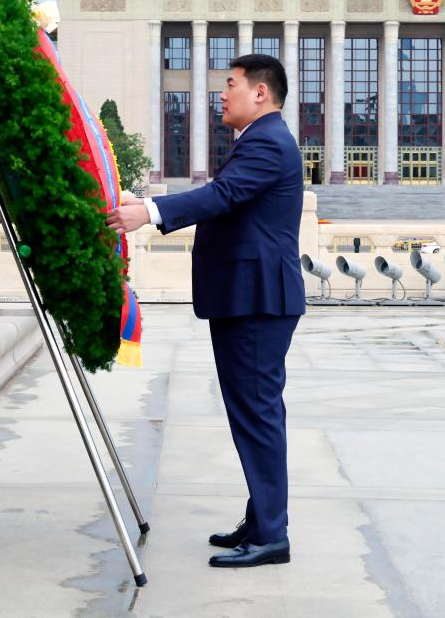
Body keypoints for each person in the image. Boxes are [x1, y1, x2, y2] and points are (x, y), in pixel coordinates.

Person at [106, 53, 304, 568]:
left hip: (257, 301)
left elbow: (225, 195)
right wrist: (147, 203)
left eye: (231, 84)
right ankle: (262, 519)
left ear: (260, 93)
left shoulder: (268, 141)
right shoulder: (257, 140)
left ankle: (271, 535)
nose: (223, 93)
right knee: (253, 413)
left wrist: (148, 213)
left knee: (258, 414)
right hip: (247, 297)